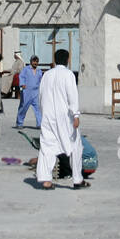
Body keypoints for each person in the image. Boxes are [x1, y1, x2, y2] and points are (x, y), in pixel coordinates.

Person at [36, 49, 88, 190]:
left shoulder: (46, 75)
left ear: (55, 59)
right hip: (64, 117)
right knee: (75, 147)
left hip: (47, 116)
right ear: (68, 59)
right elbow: (72, 96)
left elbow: (40, 95)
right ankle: (77, 180)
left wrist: (43, 113)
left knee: (47, 147)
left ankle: (46, 180)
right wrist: (76, 115)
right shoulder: (68, 74)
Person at [15, 55, 43, 129]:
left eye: (36, 61)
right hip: (26, 92)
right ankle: (19, 123)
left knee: (37, 108)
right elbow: (21, 76)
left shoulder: (39, 71)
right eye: (34, 61)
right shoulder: (26, 69)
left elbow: (41, 80)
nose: (35, 63)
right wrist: (22, 84)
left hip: (35, 92)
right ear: (31, 61)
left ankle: (39, 123)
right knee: (23, 107)